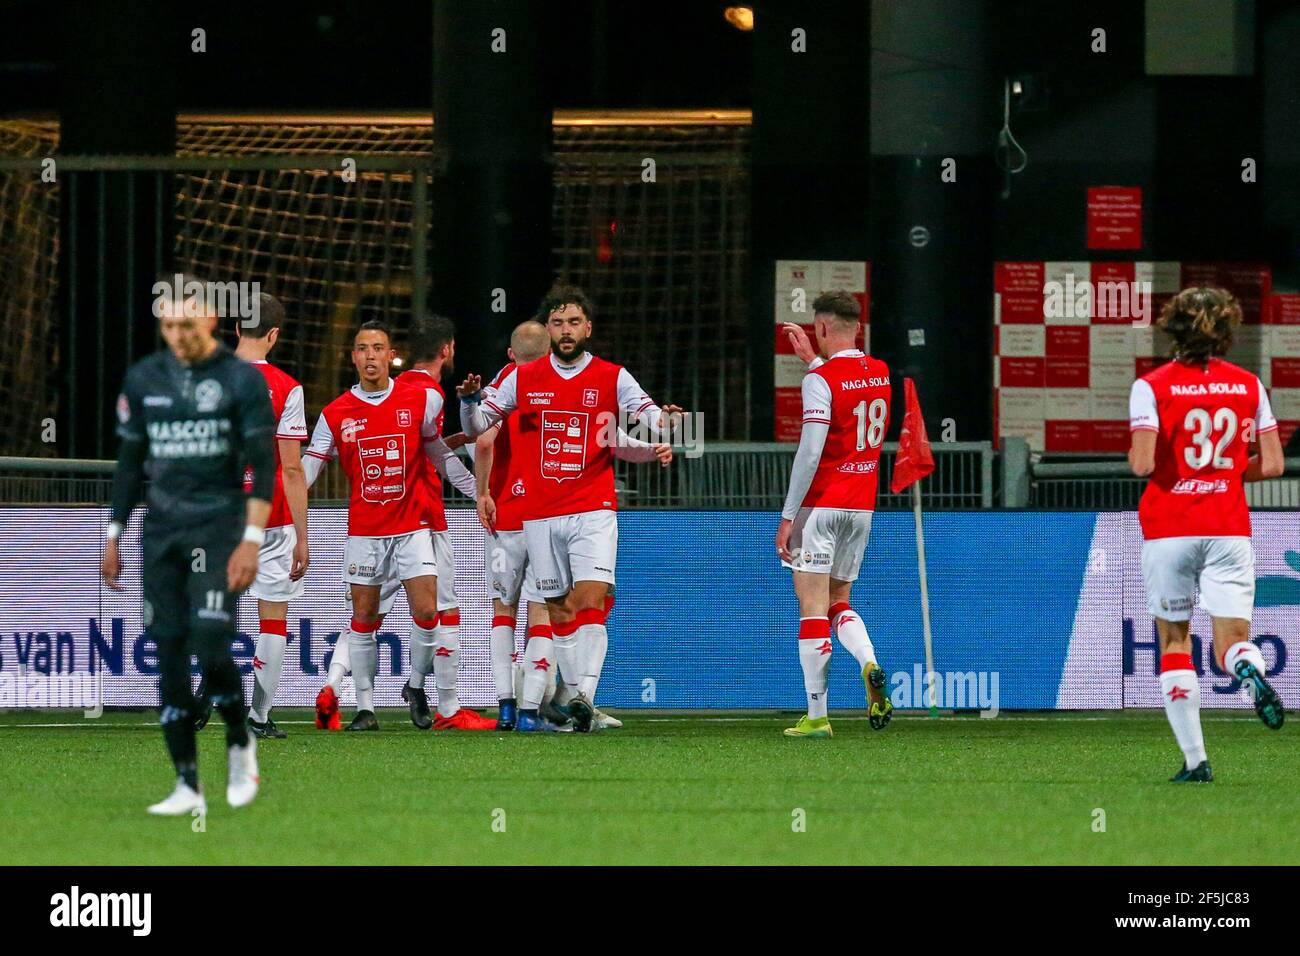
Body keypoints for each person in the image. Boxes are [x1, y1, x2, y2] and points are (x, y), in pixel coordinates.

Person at [458, 285, 675, 732]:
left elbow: (645, 414)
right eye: (558, 323)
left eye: (574, 322)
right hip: (539, 515)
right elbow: (480, 427)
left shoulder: (612, 376)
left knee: (592, 600)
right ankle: (581, 707)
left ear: (588, 327)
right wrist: (467, 402)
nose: (566, 330)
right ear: (548, 330)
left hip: (593, 509)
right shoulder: (525, 378)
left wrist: (666, 425)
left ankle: (583, 697)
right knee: (558, 610)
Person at [102, 279, 275, 814]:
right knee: (170, 650)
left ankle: (240, 739)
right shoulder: (144, 379)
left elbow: (264, 463)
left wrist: (251, 539)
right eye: (169, 325)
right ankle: (185, 783)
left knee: (211, 640)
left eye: (188, 324)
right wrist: (114, 533)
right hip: (163, 532)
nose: (178, 335)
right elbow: (131, 465)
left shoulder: (240, 381)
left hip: (219, 528)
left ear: (212, 323)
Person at [1128, 287, 1286, 783]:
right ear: (1227, 331)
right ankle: (1247, 669)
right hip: (1228, 527)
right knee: (1232, 639)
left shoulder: (1151, 386)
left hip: (1171, 527)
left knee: (1174, 639)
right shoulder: (1249, 385)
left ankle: (1196, 762)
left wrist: (1179, 467)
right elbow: (1275, 464)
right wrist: (1227, 471)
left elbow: (1143, 464)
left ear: (1172, 327)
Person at [302, 320, 483, 731]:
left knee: (426, 611)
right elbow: (306, 472)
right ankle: (365, 708)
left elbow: (435, 451)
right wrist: (274, 503)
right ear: (353, 356)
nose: (370, 355)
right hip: (365, 531)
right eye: (362, 348)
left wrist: (478, 492)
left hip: (413, 525)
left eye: (378, 348)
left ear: (390, 356)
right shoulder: (335, 414)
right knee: (363, 619)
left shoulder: (417, 401)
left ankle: (417, 687)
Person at [775, 291, 893, 739]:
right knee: (840, 602)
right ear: (857, 327)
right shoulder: (879, 373)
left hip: (821, 504)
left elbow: (810, 452)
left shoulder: (820, 380)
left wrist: (789, 516)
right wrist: (814, 363)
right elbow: (847, 392)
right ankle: (869, 663)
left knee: (811, 608)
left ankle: (818, 715)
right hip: (862, 507)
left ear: (821, 328)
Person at [195, 293, 309, 739]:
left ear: (236, 329)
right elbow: (293, 467)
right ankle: (259, 716)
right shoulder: (287, 387)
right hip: (273, 515)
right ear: (275, 335)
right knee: (273, 618)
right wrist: (303, 534)